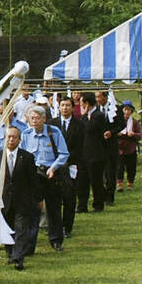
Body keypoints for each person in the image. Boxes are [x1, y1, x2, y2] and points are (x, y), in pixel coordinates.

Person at [20, 105, 68, 252]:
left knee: (53, 208)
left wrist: (53, 168)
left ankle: (56, 240)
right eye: (31, 118)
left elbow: (63, 153)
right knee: (33, 210)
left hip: (50, 173)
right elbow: (22, 155)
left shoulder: (54, 132)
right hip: (34, 175)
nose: (34, 121)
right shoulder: (26, 134)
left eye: (37, 118)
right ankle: (29, 244)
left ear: (44, 118)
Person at [0, 126, 38, 271]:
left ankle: (19, 258)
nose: (11, 140)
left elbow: (33, 181)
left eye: (14, 137)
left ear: (19, 139)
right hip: (4, 200)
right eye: (9, 137)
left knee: (21, 229)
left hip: (22, 200)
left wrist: (36, 199)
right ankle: (10, 253)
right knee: (8, 228)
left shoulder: (27, 157)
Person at [50, 96, 85, 232]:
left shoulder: (80, 125)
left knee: (69, 197)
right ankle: (55, 226)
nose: (65, 108)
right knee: (54, 198)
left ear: (72, 108)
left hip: (71, 165)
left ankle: (67, 227)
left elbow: (80, 146)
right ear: (59, 107)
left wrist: (66, 161)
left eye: (67, 105)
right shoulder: (51, 124)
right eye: (62, 105)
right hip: (53, 164)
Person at [79, 93, 112, 212]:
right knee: (82, 181)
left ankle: (98, 204)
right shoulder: (83, 117)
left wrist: (84, 115)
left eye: (82, 103)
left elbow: (89, 128)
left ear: (87, 104)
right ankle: (82, 205)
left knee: (96, 181)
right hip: (83, 153)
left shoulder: (98, 115)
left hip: (96, 154)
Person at [115, 101, 142, 190]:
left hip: (131, 148)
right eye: (125, 109)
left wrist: (133, 134)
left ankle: (130, 183)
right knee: (119, 166)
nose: (126, 112)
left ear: (131, 111)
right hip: (119, 148)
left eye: (129, 110)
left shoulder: (134, 122)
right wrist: (117, 133)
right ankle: (119, 183)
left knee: (131, 167)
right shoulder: (117, 121)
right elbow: (112, 132)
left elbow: (140, 135)